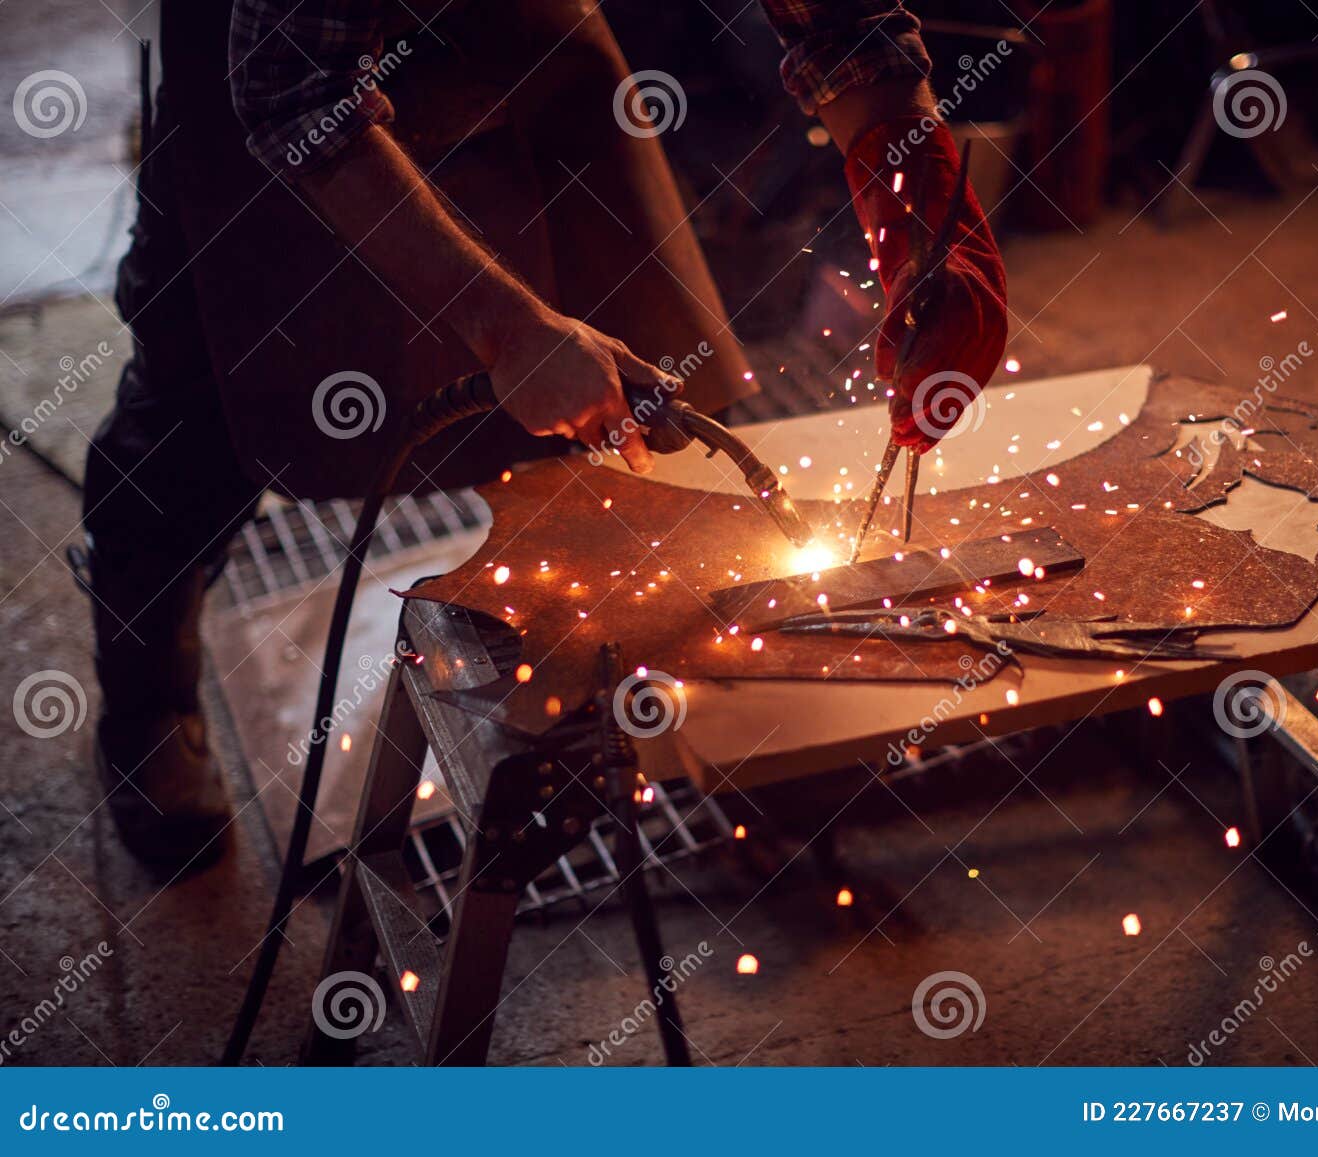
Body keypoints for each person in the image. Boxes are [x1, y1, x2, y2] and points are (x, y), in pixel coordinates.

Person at [80, 0, 1007, 869]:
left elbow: (840, 19)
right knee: (199, 412)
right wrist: (508, 330)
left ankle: (649, 702)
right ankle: (148, 698)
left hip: (527, 54)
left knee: (638, 392)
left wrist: (921, 197)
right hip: (285, 101)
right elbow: (293, 89)